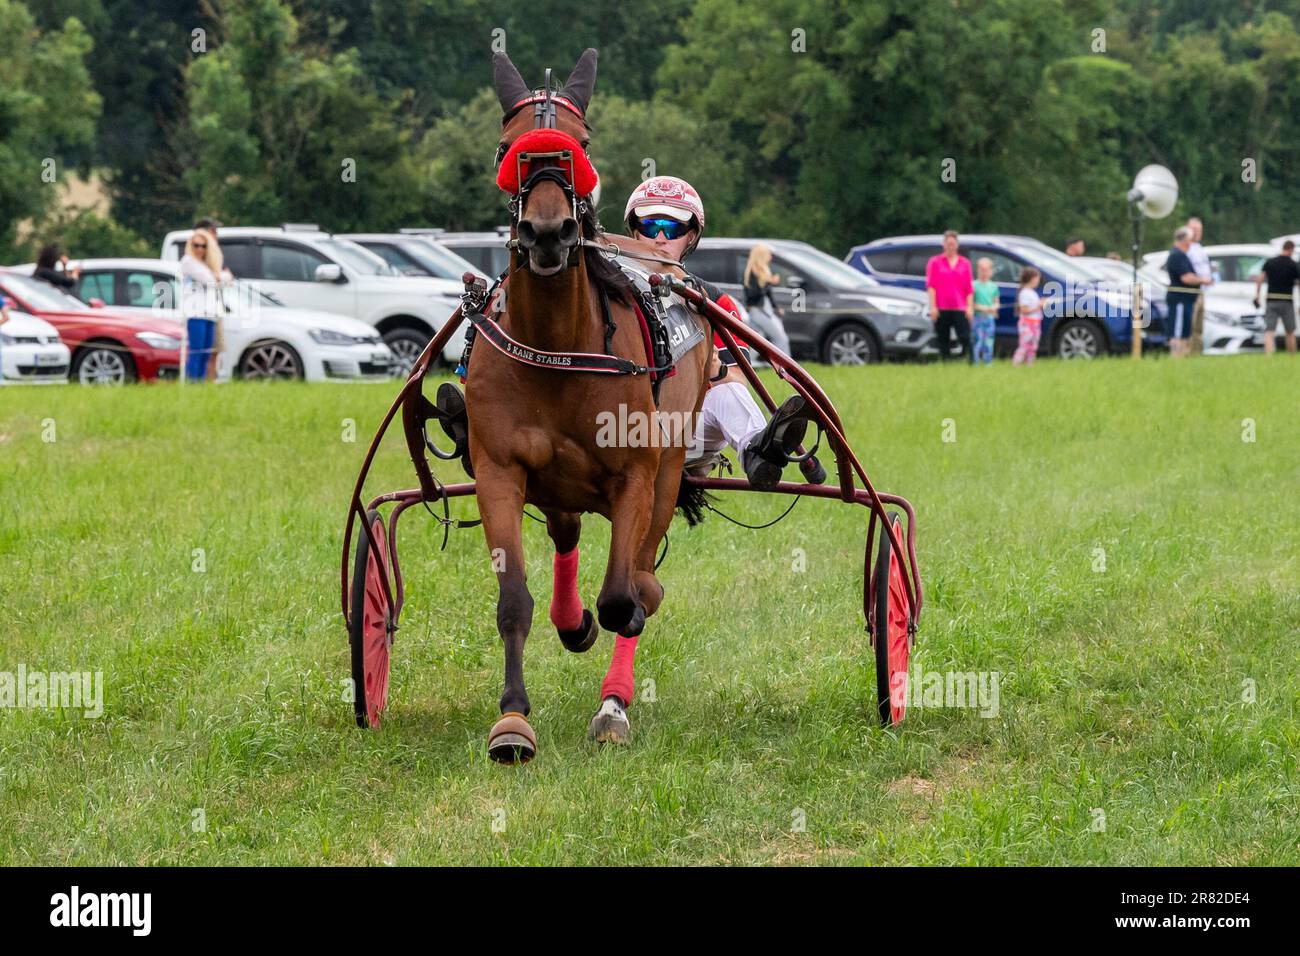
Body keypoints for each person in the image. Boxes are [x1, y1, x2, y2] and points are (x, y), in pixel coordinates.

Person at [433, 174, 826, 492]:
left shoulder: (713, 301)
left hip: (678, 428)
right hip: (605, 429)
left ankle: (760, 452)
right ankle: (483, 431)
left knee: (728, 390)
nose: (659, 236)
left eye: (673, 226)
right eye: (649, 224)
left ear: (692, 236)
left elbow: (734, 373)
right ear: (631, 229)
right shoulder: (605, 292)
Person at [180, 228, 230, 381]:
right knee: (197, 352)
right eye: (196, 245)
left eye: (203, 246)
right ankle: (191, 384)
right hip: (196, 314)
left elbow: (219, 281)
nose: (199, 249)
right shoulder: (188, 261)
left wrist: (219, 277)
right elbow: (210, 281)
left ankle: (199, 385)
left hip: (210, 314)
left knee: (206, 353)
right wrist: (222, 276)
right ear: (191, 245)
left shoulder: (206, 264)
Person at [924, 230, 974, 361]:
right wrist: (933, 306)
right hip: (941, 306)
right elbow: (931, 286)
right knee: (943, 338)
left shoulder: (965, 263)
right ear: (943, 244)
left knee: (965, 336)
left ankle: (970, 359)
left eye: (953, 244)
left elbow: (968, 288)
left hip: (960, 306)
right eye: (948, 243)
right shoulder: (935, 262)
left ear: (957, 245)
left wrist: (969, 307)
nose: (950, 246)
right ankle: (946, 362)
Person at [1164, 227, 1212, 359]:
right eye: (1190, 240)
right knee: (1177, 332)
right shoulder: (1176, 255)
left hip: (1187, 300)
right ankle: (1176, 358)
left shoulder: (1182, 255)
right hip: (1180, 300)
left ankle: (1182, 358)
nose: (1191, 243)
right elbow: (1186, 277)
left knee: (1185, 332)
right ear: (1184, 240)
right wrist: (1204, 280)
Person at [741, 244, 791, 357]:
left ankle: (750, 362)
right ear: (761, 256)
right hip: (758, 310)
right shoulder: (752, 273)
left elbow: (769, 295)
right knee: (780, 338)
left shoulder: (764, 271)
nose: (771, 257)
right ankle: (785, 364)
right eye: (768, 254)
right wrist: (767, 283)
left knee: (757, 339)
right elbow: (752, 295)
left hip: (765, 310)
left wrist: (776, 308)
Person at [1254, 240, 1299, 355]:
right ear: (1291, 249)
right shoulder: (1293, 265)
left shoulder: (1270, 262)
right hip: (1287, 300)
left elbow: (1260, 279)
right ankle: (1292, 356)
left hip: (1272, 299)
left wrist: (1257, 296)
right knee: (1290, 331)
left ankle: (1268, 356)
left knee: (1269, 330)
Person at [1185, 217, 1214, 354]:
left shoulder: (1199, 248)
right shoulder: (1186, 248)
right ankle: (1187, 353)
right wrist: (1202, 280)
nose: (1197, 233)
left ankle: (1196, 354)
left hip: (1201, 292)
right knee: (1190, 326)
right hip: (1191, 292)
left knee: (1198, 328)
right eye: (1194, 229)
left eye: (1199, 230)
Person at [971, 257, 998, 366]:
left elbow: (996, 302)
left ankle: (988, 362)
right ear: (977, 270)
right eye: (981, 269)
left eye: (986, 270)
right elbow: (971, 303)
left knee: (989, 342)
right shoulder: (973, 285)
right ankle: (976, 362)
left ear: (991, 271)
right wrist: (982, 307)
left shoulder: (993, 287)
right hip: (977, 319)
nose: (984, 272)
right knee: (977, 341)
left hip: (990, 319)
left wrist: (994, 307)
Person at [1013, 267, 1043, 365]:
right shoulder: (1025, 293)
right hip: (1027, 324)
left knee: (1033, 346)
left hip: (1035, 323)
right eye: (1037, 278)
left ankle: (1029, 365)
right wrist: (1039, 306)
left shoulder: (1032, 292)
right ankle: (1016, 364)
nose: (1038, 281)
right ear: (1032, 278)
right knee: (1024, 345)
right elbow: (1024, 310)